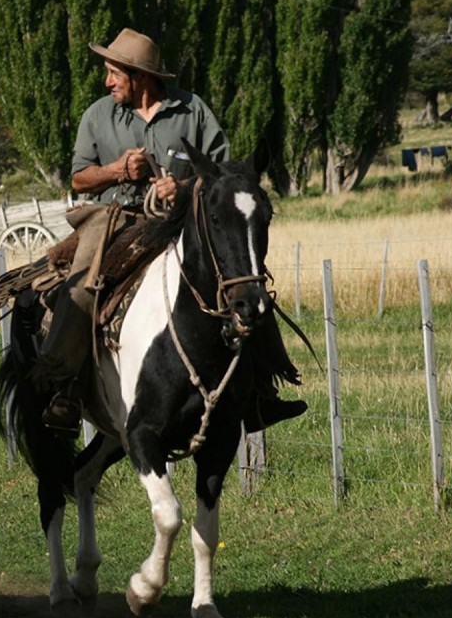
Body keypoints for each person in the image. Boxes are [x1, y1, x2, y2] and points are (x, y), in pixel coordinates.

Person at [32, 28, 306, 435]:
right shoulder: (98, 116)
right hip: (115, 220)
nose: (107, 82)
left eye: (114, 73)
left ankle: (261, 391)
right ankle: (63, 385)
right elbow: (79, 178)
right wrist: (118, 171)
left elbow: (224, 175)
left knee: (244, 279)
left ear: (139, 76)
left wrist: (182, 187)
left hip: (184, 221)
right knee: (83, 283)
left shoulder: (192, 111)